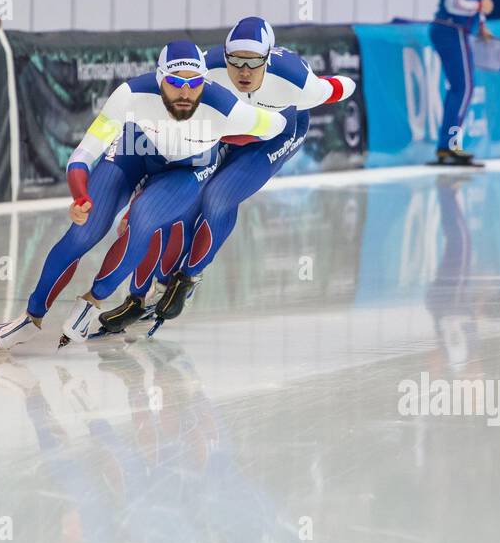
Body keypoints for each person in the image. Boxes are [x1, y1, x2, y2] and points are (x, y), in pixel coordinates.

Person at [0, 41, 288, 351]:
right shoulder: (131, 94)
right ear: (159, 80)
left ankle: (92, 302)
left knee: (143, 217)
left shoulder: (225, 106)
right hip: (135, 152)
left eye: (194, 84)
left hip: (187, 170)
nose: (185, 93)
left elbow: (277, 124)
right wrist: (79, 196)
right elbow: (83, 153)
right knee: (84, 232)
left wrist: (226, 134)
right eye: (175, 83)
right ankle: (30, 318)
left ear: (204, 83)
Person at [114, 16, 358, 326]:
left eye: (254, 63)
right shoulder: (206, 67)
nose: (243, 71)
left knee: (217, 196)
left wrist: (349, 82)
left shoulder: (297, 81)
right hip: (228, 131)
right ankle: (147, 289)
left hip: (275, 137)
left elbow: (341, 86)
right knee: (183, 198)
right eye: (236, 61)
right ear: (225, 56)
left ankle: (187, 278)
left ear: (268, 59)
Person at [430, 0, 495, 166]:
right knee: (464, 88)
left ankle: (447, 146)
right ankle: (449, 146)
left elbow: (469, 0)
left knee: (461, 87)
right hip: (449, 29)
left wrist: (480, 24)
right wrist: (481, 6)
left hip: (456, 30)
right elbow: (453, 2)